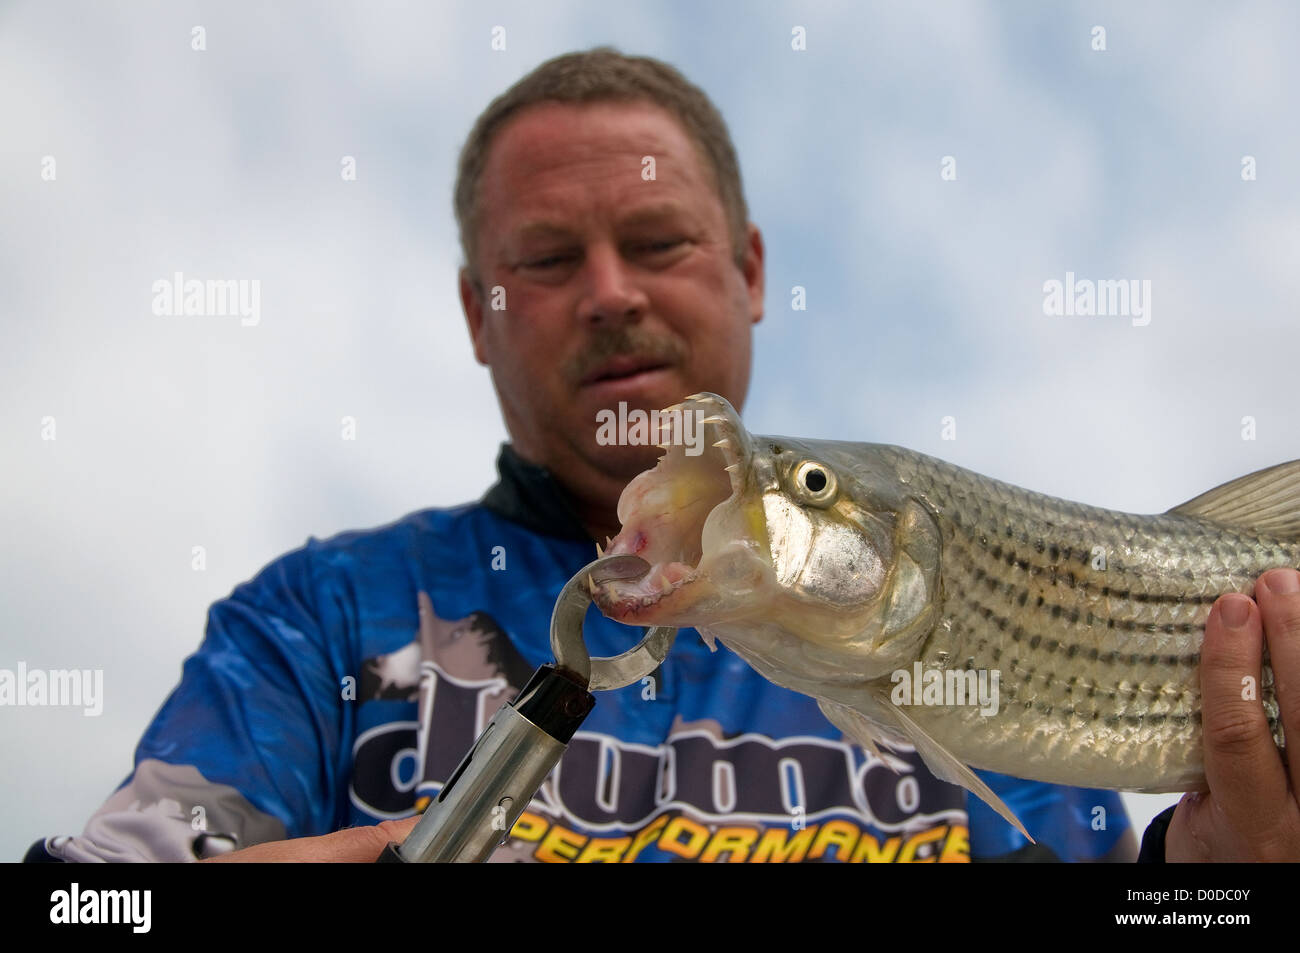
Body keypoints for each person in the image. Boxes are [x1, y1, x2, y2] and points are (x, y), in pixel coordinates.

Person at [25, 47, 1299, 864]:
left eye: (658, 241)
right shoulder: (309, 624)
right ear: (479, 313)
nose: (609, 295)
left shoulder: (987, 689)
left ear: (750, 273)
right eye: (544, 259)